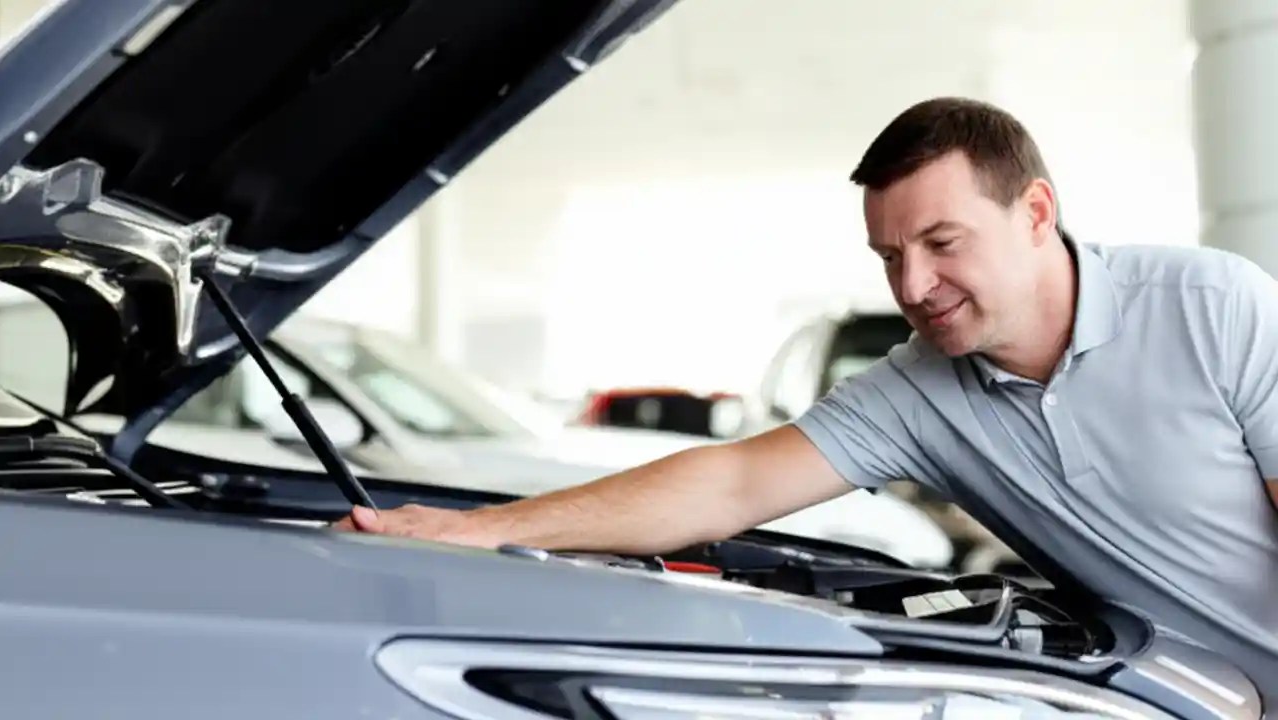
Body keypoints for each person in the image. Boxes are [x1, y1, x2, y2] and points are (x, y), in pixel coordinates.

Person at [336, 96, 1278, 698]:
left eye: (942, 243)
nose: (912, 286)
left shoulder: (1212, 307)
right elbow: (732, 484)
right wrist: (476, 529)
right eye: (890, 256)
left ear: (1035, 212)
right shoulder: (921, 389)